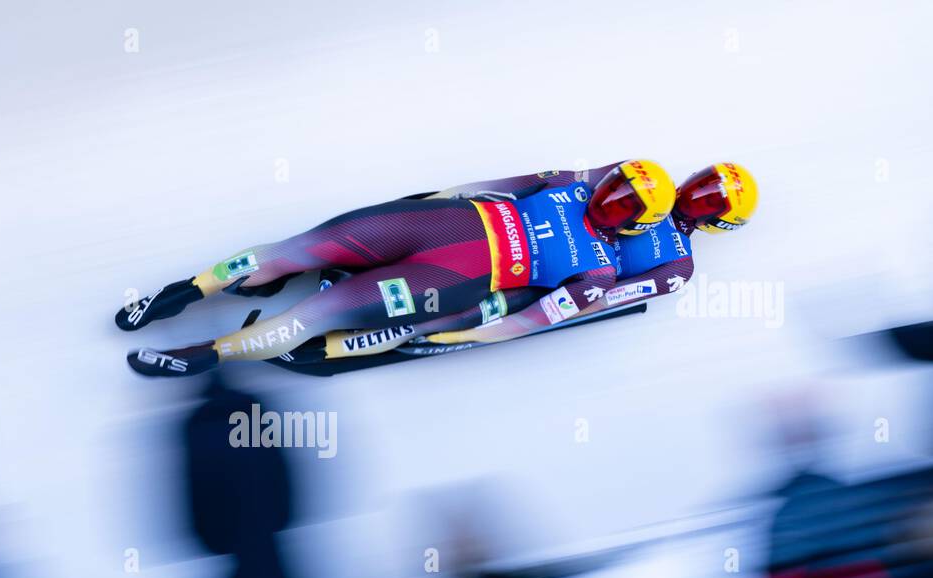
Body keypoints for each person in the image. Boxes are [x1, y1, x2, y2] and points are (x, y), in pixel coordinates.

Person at [119, 161, 676, 376]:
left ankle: (204, 355)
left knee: (322, 311)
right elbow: (497, 185)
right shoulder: (570, 185)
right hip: (443, 223)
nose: (609, 201)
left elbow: (533, 318)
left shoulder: (601, 273)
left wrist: (461, 333)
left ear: (635, 226)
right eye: (613, 190)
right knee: (311, 243)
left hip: (453, 281)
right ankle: (184, 291)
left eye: (625, 206)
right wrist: (431, 199)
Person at [285, 161, 759, 368]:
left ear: (717, 223)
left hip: (552, 278)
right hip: (535, 229)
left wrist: (539, 315)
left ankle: (337, 345)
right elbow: (570, 180)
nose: (692, 198)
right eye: (699, 185)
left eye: (706, 203)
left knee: (456, 313)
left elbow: (607, 299)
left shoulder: (676, 267)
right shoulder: (646, 180)